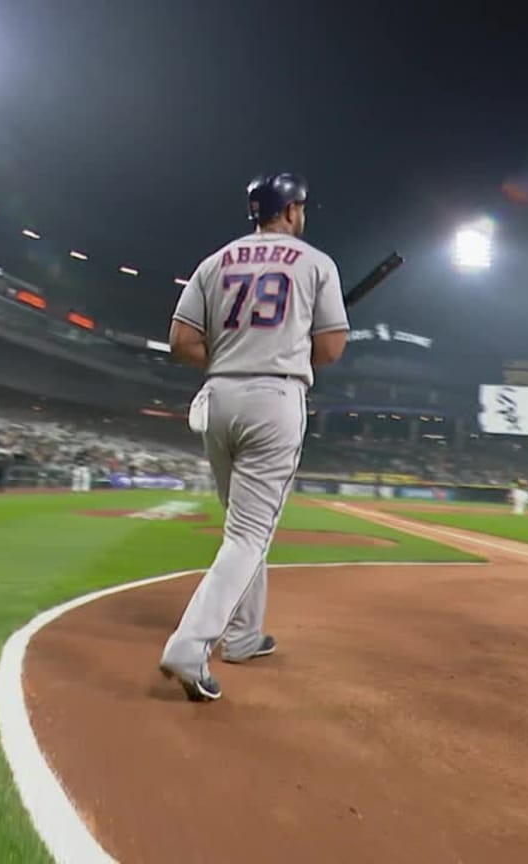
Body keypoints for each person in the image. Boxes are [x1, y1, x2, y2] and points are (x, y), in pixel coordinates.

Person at [158, 172, 348, 701]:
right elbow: (331, 348)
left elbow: (181, 341)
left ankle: (242, 636)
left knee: (243, 527)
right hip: (274, 397)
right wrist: (286, 350)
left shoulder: (215, 262)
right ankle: (189, 647)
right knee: (248, 535)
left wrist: (232, 357)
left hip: (218, 397)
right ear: (290, 211)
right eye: (301, 207)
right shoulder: (315, 263)